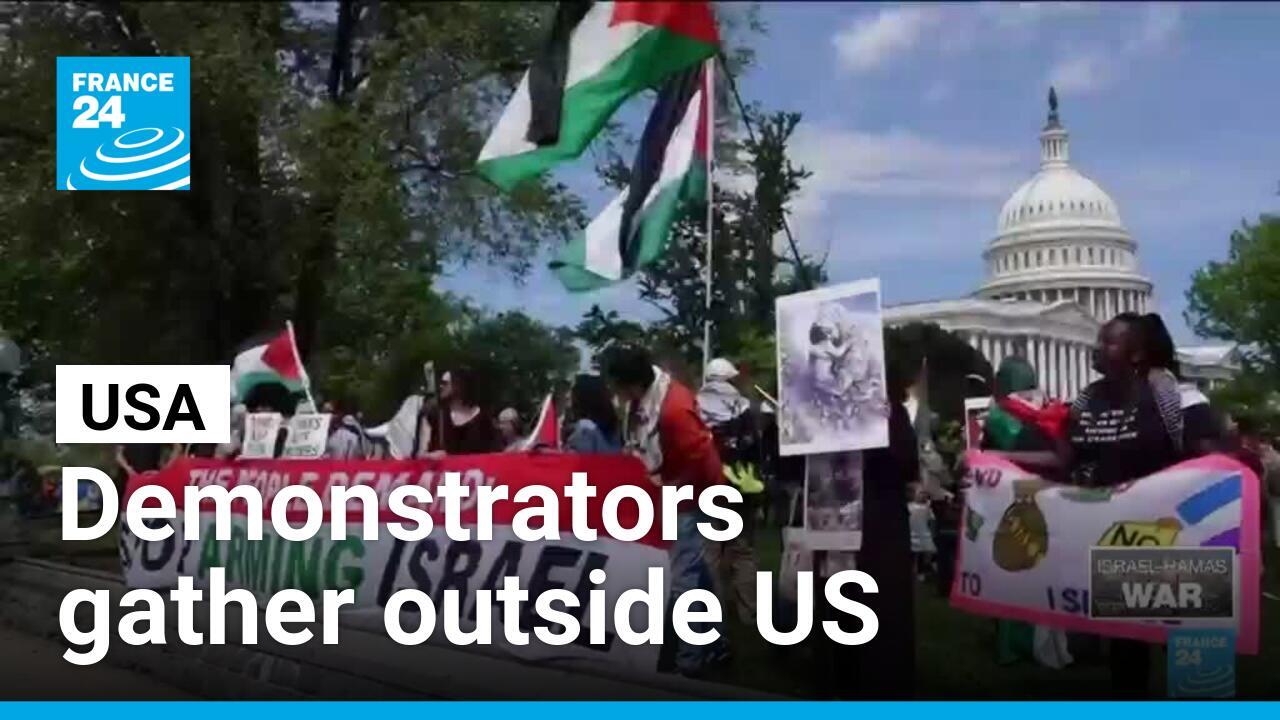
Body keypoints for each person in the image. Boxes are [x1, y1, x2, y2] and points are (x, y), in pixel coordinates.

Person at [1064, 313, 1184, 698]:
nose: (1097, 349)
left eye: (1109, 342)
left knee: (1187, 635)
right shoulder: (1088, 398)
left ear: (1136, 354)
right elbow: (1066, 457)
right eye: (1099, 340)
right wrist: (993, 460)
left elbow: (1202, 453)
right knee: (1126, 642)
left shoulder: (1166, 391)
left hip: (1172, 529)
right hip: (1114, 534)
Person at [603, 345, 728, 677]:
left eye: (616, 384)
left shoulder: (673, 409)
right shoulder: (646, 402)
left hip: (686, 501)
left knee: (682, 582)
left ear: (631, 383)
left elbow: (703, 458)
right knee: (695, 576)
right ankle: (715, 647)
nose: (614, 392)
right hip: (669, 495)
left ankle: (690, 663)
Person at [697, 357, 763, 626]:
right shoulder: (745, 407)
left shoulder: (694, 406)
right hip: (740, 487)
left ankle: (712, 614)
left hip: (707, 486)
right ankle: (751, 611)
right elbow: (755, 450)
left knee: (710, 551)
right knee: (742, 550)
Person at [430, 368, 499, 455]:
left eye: (445, 383)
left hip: (476, 467)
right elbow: (421, 453)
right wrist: (431, 455)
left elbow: (495, 451)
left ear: (458, 384)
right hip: (447, 468)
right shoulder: (438, 417)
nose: (441, 386)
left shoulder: (483, 418)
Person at [564, 374, 621, 453]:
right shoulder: (612, 431)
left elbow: (577, 462)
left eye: (573, 390)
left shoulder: (585, 429)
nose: (568, 396)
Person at [907, 484, 936, 578]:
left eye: (924, 493)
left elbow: (932, 521)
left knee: (923, 555)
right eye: (920, 493)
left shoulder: (928, 508)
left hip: (924, 535)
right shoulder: (909, 506)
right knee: (912, 555)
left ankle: (922, 571)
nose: (922, 495)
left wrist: (932, 533)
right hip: (911, 535)